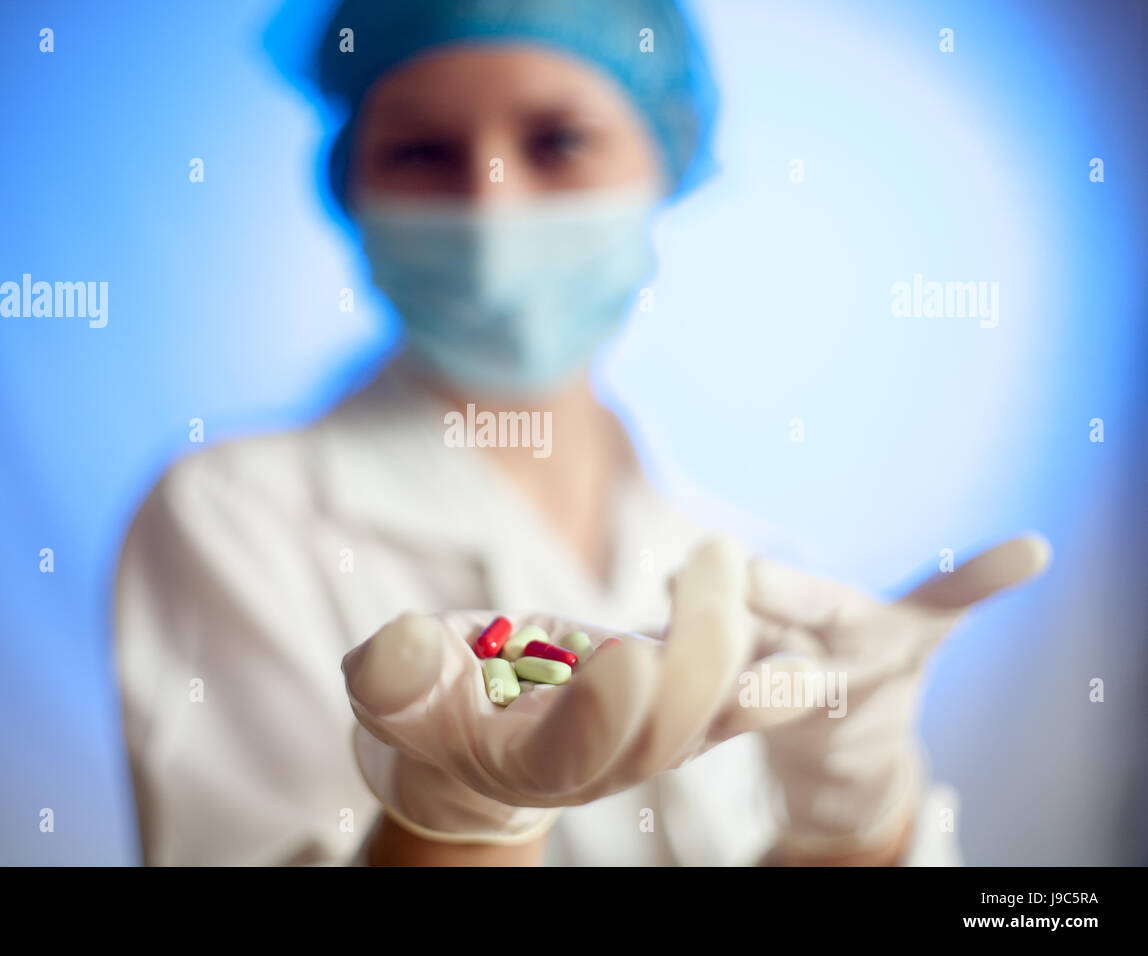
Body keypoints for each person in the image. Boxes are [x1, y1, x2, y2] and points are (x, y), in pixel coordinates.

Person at [113, 0, 1049, 866]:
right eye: (423, 152)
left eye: (558, 140)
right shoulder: (234, 515)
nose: (492, 205)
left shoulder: (742, 565)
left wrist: (859, 824)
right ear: (347, 188)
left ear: (665, 162)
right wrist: (454, 817)